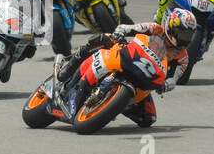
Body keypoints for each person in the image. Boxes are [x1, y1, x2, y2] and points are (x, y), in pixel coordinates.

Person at [53, 7, 197, 128]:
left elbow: (175, 78)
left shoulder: (183, 56)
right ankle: (71, 65)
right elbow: (130, 28)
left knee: (148, 118)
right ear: (170, 26)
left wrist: (166, 85)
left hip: (145, 76)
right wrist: (121, 32)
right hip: (128, 54)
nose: (185, 38)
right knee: (104, 38)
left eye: (188, 35)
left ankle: (113, 105)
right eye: (182, 33)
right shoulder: (155, 29)